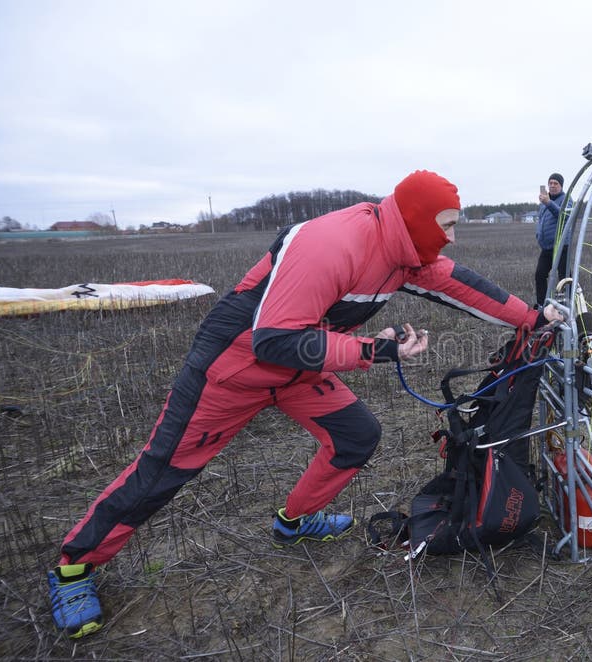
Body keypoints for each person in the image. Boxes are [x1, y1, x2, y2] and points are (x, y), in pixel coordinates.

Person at [47, 170, 563, 639]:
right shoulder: (331, 244)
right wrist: (374, 350)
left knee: (356, 437)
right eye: (447, 224)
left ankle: (292, 523)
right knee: (164, 469)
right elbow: (271, 340)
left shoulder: (405, 251)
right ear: (415, 219)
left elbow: (462, 285)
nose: (452, 235)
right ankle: (74, 567)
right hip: (234, 368)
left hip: (300, 367)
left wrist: (532, 319)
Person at [534, 172, 573, 306]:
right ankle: (542, 306)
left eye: (555, 183)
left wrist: (548, 203)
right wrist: (538, 234)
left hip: (561, 247)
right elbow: (542, 220)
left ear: (561, 186)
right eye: (550, 183)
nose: (552, 186)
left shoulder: (566, 199)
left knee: (565, 279)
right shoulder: (545, 200)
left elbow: (564, 216)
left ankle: (569, 305)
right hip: (547, 248)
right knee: (540, 274)